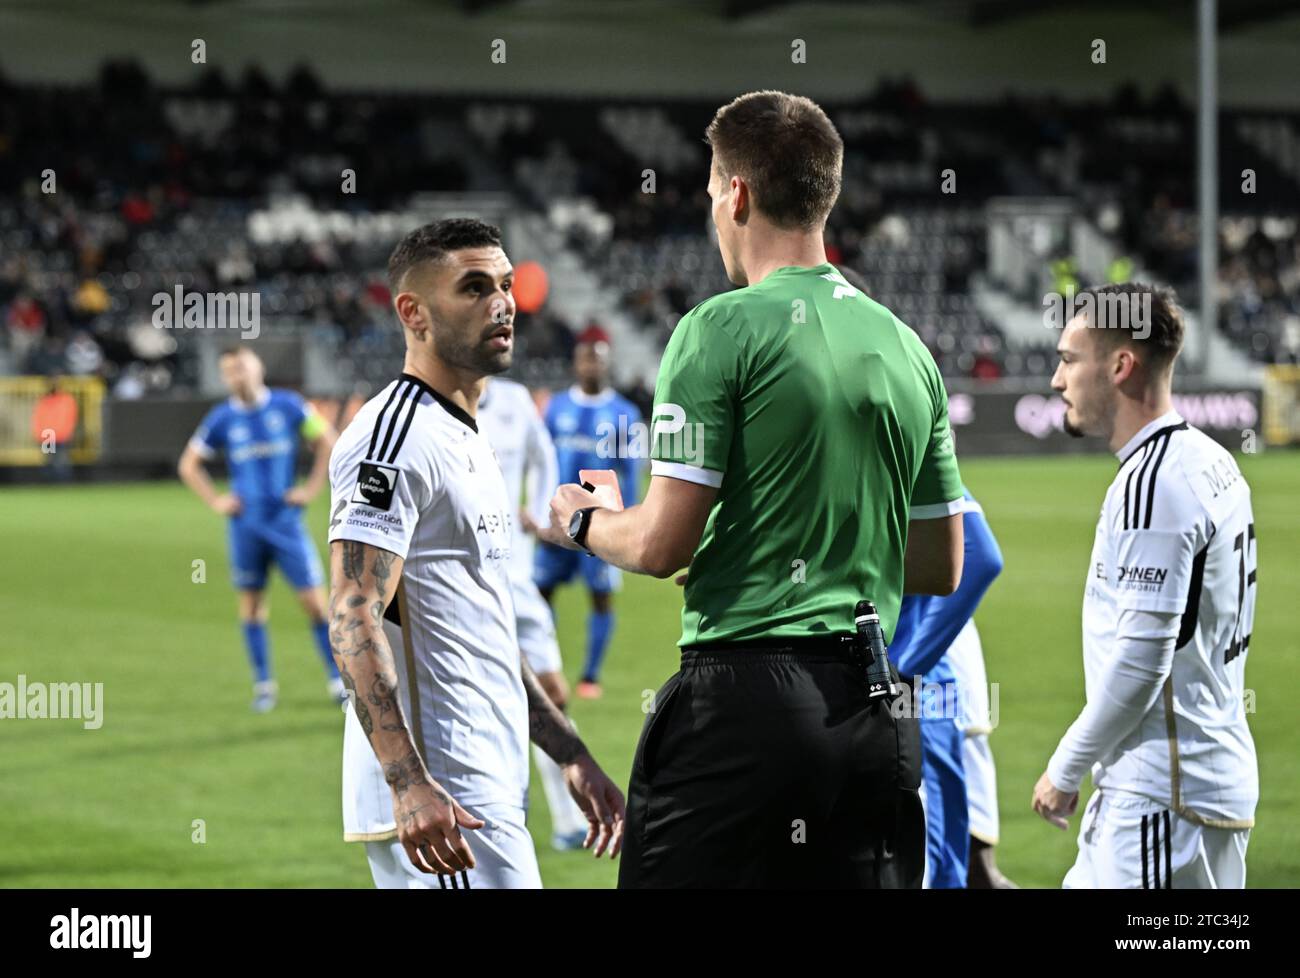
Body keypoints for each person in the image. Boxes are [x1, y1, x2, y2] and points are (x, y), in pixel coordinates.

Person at [542, 91, 965, 888]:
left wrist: (584, 521)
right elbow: (940, 563)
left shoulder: (717, 329)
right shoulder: (907, 348)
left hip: (747, 713)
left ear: (735, 193)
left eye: (710, 194)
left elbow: (661, 544)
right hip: (879, 714)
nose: (711, 213)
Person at [328, 219, 625, 889]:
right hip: (446, 798)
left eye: (505, 284)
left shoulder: (465, 433)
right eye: (473, 287)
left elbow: (484, 626)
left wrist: (569, 751)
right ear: (414, 313)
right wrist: (410, 785)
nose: (502, 302)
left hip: (485, 778)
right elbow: (352, 615)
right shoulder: (393, 439)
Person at [1036, 282, 1258, 889]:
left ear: (1120, 367)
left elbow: (1141, 661)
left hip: (1164, 796)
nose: (1058, 380)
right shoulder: (1212, 462)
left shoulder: (1152, 482)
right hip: (1190, 784)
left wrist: (1064, 768)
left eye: (1068, 359)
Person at [178, 346, 343, 712]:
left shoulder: (289, 406)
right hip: (245, 526)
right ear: (225, 378)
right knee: (252, 606)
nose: (238, 375)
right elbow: (189, 465)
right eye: (230, 371)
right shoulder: (221, 419)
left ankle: (337, 680)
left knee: (316, 605)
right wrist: (216, 501)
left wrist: (312, 490)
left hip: (286, 523)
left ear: (259, 367)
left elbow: (328, 441)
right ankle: (264, 684)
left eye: (243, 367)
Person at [888, 492, 1015, 889]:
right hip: (906, 690)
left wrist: (908, 665)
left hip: (913, 690)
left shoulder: (902, 441)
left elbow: (982, 558)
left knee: (944, 864)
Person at [534, 325, 643, 698]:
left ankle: (590, 676)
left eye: (597, 358)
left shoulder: (623, 413)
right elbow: (541, 464)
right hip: (555, 526)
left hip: (600, 527)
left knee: (599, 595)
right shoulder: (557, 408)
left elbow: (631, 474)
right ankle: (543, 664)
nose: (591, 365)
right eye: (585, 357)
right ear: (576, 362)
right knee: (540, 592)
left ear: (607, 362)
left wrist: (626, 520)